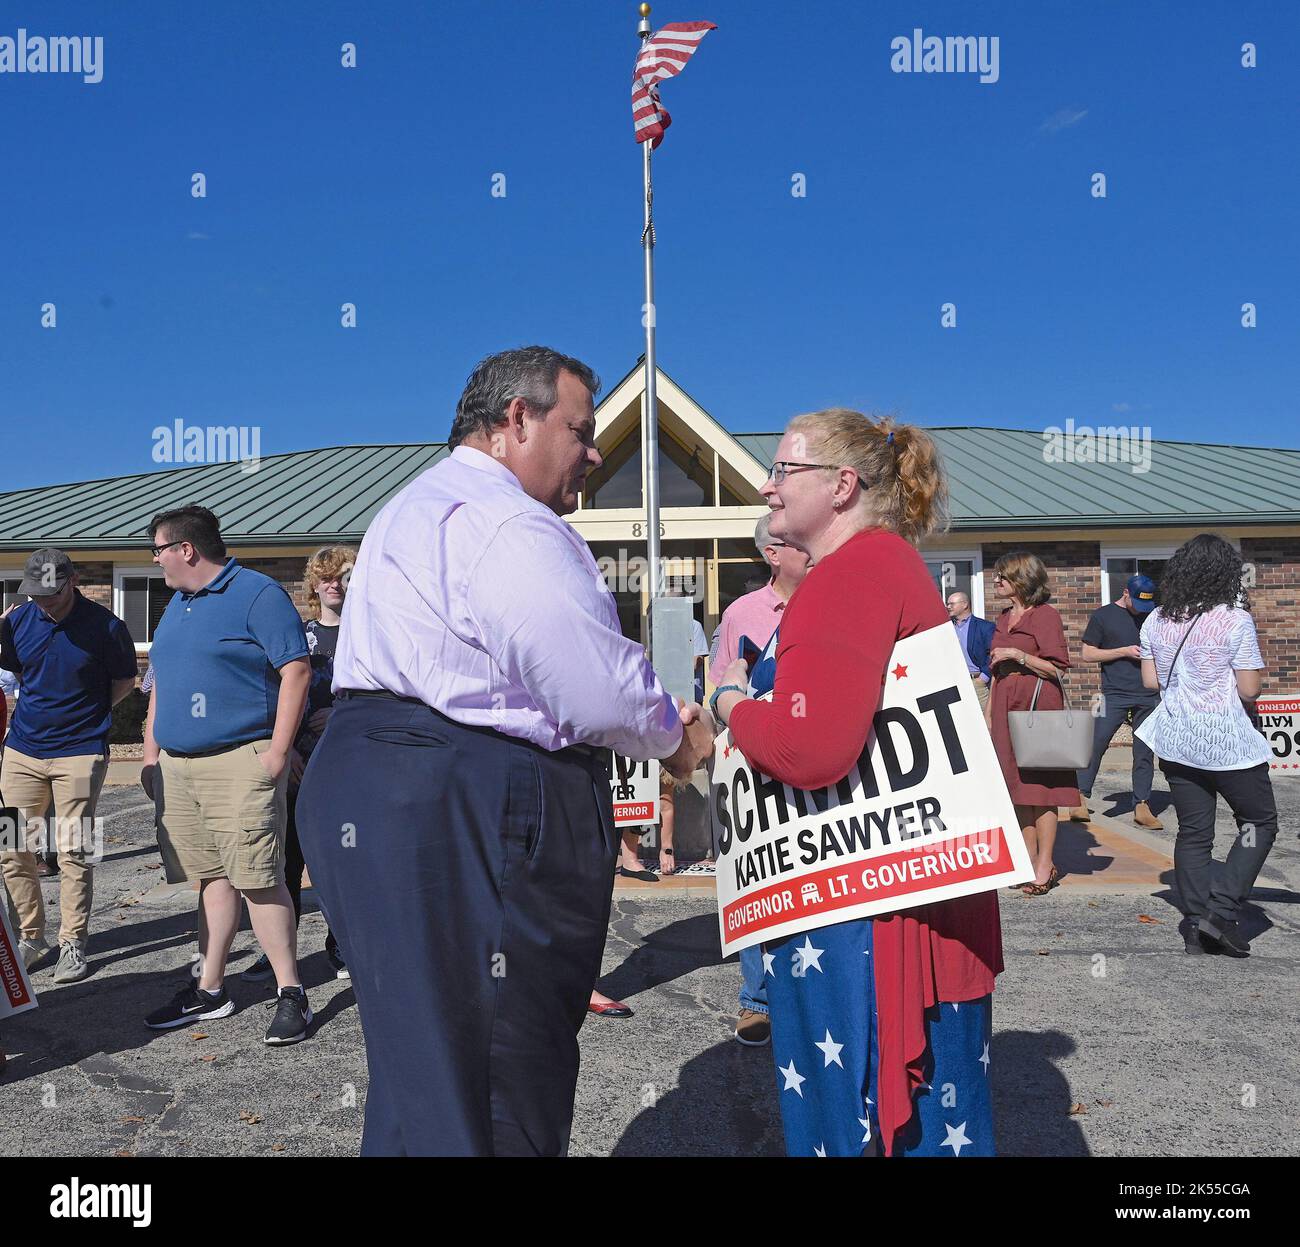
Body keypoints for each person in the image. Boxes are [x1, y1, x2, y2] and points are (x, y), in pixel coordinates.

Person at [295, 346, 714, 1156]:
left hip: (382, 778)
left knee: (427, 1066)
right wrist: (674, 733)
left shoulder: (407, 510)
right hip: (463, 793)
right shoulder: (507, 519)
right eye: (581, 430)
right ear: (516, 419)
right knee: (498, 1067)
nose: (595, 452)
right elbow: (587, 680)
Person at [711, 409, 1003, 1158]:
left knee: (872, 1133)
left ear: (842, 486)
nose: (768, 486)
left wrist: (731, 705)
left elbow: (812, 749)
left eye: (784, 469)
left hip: (874, 924)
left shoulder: (851, 573)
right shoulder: (882, 561)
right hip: (894, 898)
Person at [139, 505, 313, 1045]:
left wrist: (277, 752)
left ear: (185, 549)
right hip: (180, 766)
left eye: (158, 550)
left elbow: (297, 670)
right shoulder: (177, 604)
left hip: (240, 759)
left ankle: (291, 993)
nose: (156, 561)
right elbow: (160, 680)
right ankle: (210, 990)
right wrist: (151, 754)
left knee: (259, 878)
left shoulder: (258, 594)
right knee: (212, 879)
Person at [1136, 534, 1278, 957]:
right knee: (1258, 823)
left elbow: (1150, 682)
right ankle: (1223, 909)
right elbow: (1249, 689)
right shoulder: (1235, 619)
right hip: (1225, 741)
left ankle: (1197, 923)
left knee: (1195, 832)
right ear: (1226, 575)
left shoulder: (1156, 618)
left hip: (1177, 739)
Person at [0, 551, 137, 982]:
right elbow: (18, 674)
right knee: (11, 847)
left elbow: (124, 681)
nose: (44, 602)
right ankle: (32, 937)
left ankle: (72, 943)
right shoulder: (16, 623)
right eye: (35, 594)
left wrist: (91, 717)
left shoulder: (107, 626)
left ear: (73, 581)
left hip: (80, 752)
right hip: (21, 751)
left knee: (75, 849)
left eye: (52, 593)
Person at [708, 511, 811, 1048]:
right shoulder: (743, 614)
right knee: (760, 875)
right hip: (758, 766)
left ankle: (816, 995)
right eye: (799, 543)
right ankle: (757, 1000)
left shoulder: (834, 599)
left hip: (823, 762)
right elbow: (721, 688)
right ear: (774, 553)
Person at [243, 545, 356, 983]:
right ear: (313, 584)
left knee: (339, 859)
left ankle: (342, 944)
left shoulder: (372, 634)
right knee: (284, 861)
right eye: (324, 577)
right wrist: (283, 747)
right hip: (297, 764)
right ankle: (278, 951)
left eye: (342, 575)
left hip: (348, 764)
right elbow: (272, 695)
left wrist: (345, 714)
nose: (333, 583)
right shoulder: (299, 637)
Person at [985, 552, 1081, 897]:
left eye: (1002, 577)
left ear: (1022, 580)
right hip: (1005, 706)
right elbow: (996, 668)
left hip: (1038, 705)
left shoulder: (1045, 615)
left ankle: (1045, 863)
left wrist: (1019, 655)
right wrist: (989, 712)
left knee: (1041, 788)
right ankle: (1026, 859)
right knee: (1015, 786)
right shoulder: (1003, 617)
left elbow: (1058, 667)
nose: (996, 582)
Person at [1070, 575, 1163, 830]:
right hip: (1113, 693)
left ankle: (1142, 804)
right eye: (1136, 603)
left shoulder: (1153, 615)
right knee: (1096, 743)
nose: (1140, 610)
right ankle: (1079, 796)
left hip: (1148, 693)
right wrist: (1123, 651)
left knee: (1144, 752)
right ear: (1125, 593)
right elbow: (1087, 653)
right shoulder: (1103, 616)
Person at [946, 591, 994, 711]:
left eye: (952, 604)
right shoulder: (947, 628)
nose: (948, 607)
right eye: (948, 604)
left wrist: (983, 678)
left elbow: (993, 654)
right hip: (955, 683)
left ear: (965, 605)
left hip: (977, 683)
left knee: (984, 723)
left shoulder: (984, 627)